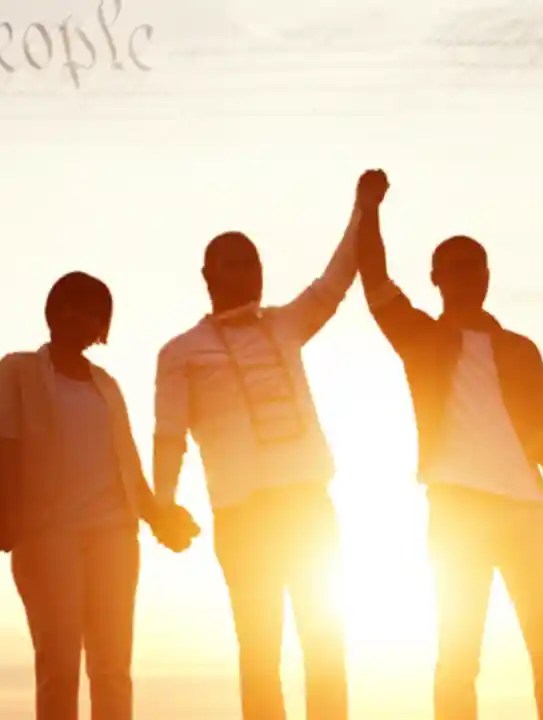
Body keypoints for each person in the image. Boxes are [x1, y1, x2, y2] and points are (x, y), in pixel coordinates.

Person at [357, 170, 543, 720]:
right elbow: (372, 276)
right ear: (436, 278)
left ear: (488, 275)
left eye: (476, 265)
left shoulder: (520, 350)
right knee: (458, 658)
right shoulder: (421, 338)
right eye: (456, 266)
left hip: (530, 515)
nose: (468, 275)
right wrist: (367, 205)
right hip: (458, 512)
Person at [152, 174, 368, 720]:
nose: (249, 271)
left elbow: (337, 280)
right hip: (244, 517)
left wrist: (363, 208)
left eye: (253, 261)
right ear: (207, 275)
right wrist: (164, 506)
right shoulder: (182, 351)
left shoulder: (285, 324)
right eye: (234, 262)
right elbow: (169, 435)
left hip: (310, 508)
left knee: (326, 648)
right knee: (260, 652)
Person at [0, 272, 197, 720]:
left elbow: (128, 465)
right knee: (59, 664)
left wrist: (160, 517)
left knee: (113, 669)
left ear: (103, 324)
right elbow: (4, 442)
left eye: (92, 311)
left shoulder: (107, 384)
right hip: (47, 534)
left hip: (114, 535)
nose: (78, 317)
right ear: (51, 311)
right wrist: (1, 506)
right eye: (69, 306)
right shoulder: (17, 369)